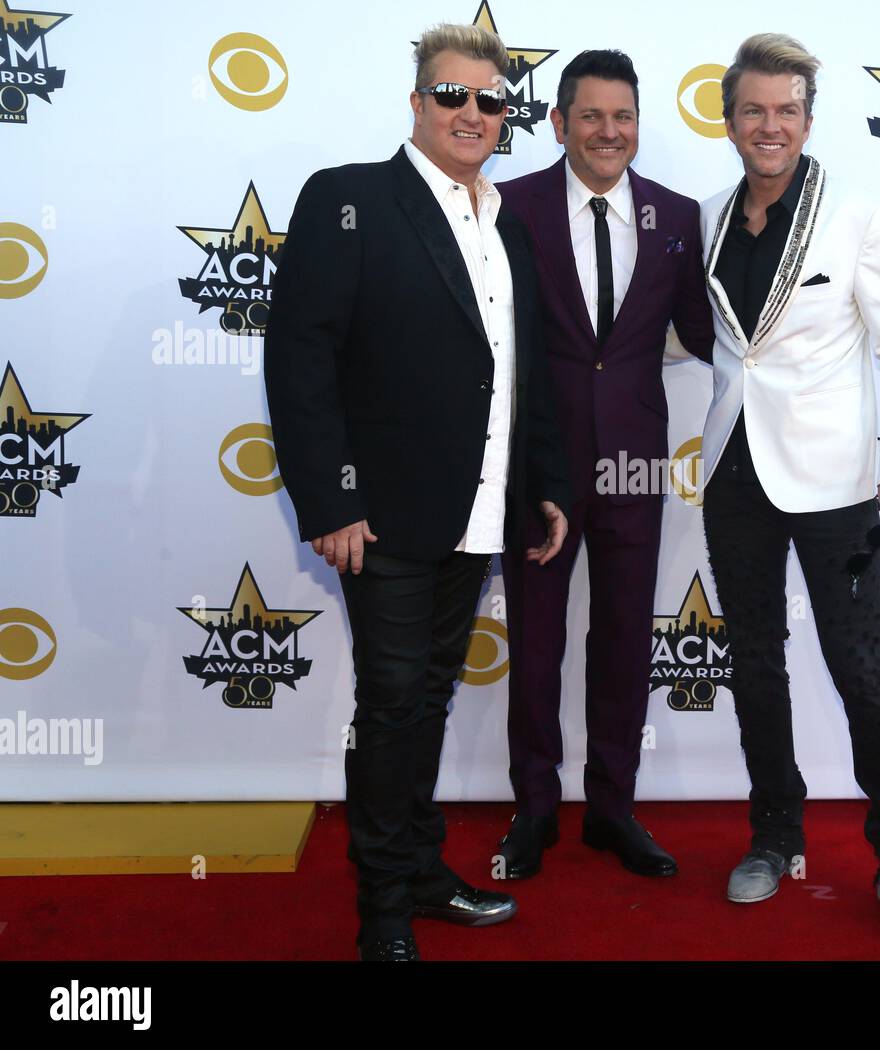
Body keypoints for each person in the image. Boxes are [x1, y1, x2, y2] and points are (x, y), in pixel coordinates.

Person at [263, 23, 570, 961]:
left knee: (427, 699)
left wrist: (541, 488)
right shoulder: (350, 198)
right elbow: (302, 354)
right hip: (382, 515)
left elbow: (520, 372)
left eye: (490, 100)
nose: (472, 112)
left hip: (478, 512)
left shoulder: (505, 221)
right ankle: (385, 908)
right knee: (395, 705)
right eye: (453, 95)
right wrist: (329, 501)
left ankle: (421, 871)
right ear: (417, 100)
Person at [696, 33, 880, 946]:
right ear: (729, 118)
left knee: (863, 673)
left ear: (808, 118)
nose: (770, 125)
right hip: (734, 473)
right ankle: (774, 832)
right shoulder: (712, 215)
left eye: (786, 110)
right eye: (753, 109)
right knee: (753, 662)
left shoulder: (859, 216)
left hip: (838, 483)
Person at [492, 50, 714, 880]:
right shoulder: (508, 207)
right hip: (539, 468)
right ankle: (535, 810)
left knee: (624, 639)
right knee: (537, 642)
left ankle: (614, 809)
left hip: (634, 465)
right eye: (591, 116)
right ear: (558, 122)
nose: (608, 132)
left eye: (622, 117)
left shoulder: (677, 217)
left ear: (638, 125)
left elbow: (701, 332)